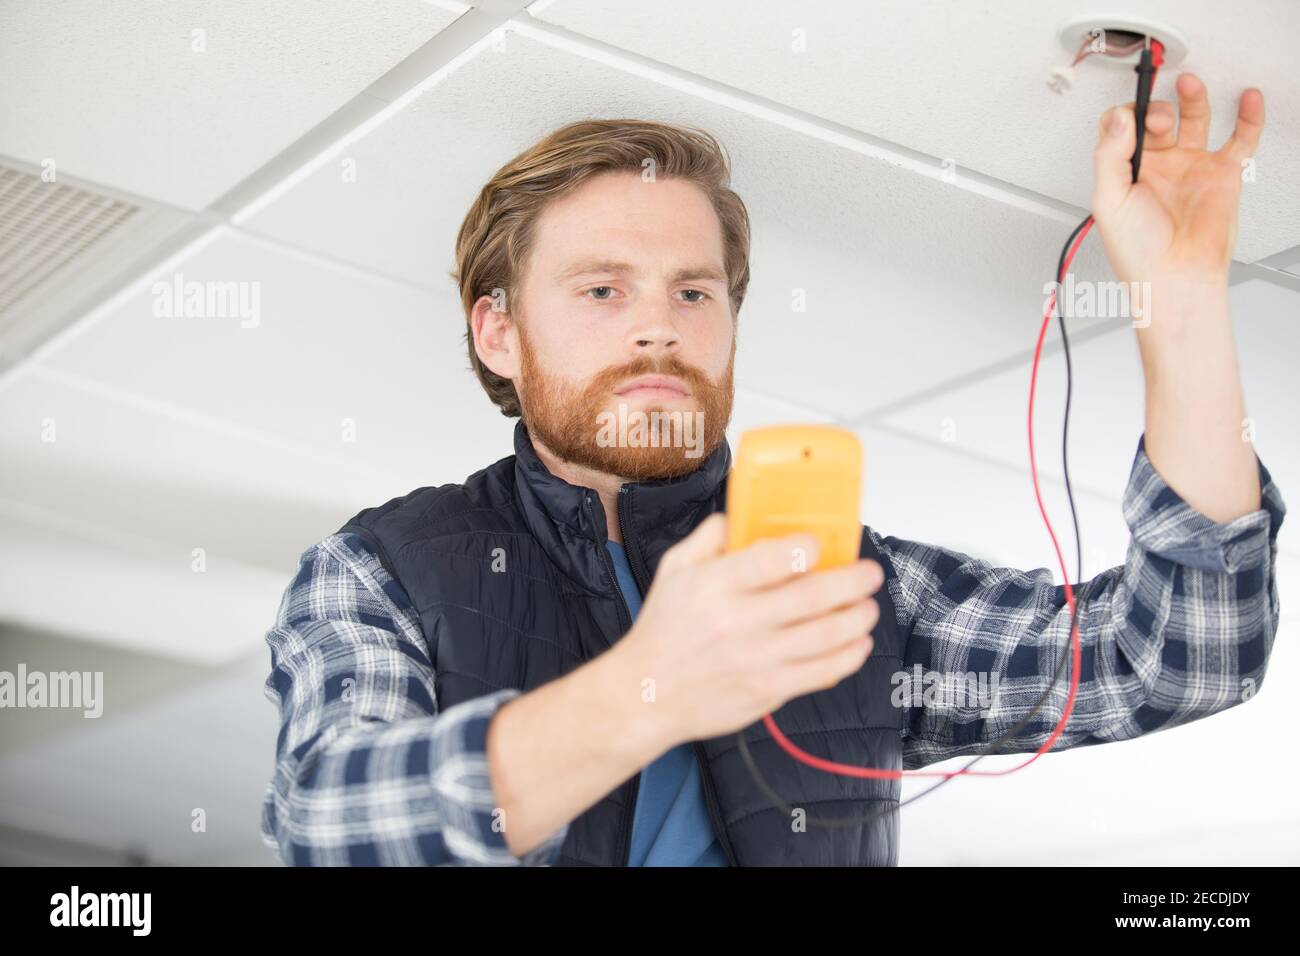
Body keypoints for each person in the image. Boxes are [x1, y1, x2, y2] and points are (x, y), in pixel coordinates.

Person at [259, 76, 1284, 865]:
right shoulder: (381, 568)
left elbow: (1178, 656)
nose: (659, 324)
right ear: (498, 332)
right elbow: (332, 823)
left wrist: (1182, 297)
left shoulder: (838, 586)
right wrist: (651, 688)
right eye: (603, 288)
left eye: (694, 292)